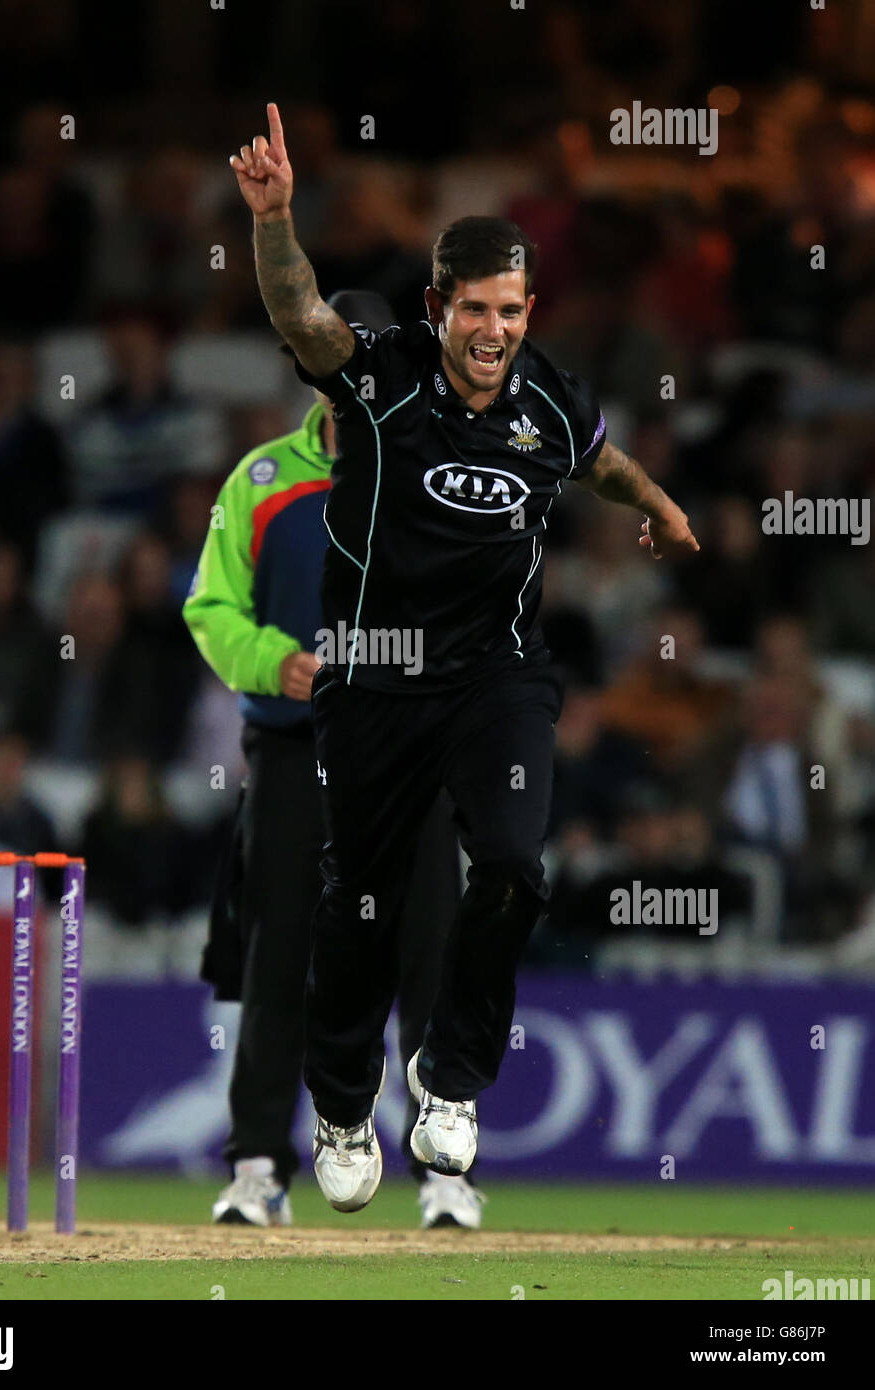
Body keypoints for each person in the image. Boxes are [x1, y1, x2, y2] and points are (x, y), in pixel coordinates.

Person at [229, 104, 700, 1213]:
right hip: (377, 672)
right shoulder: (379, 376)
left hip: (497, 674)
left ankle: (446, 1081)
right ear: (437, 305)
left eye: (509, 310)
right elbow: (300, 311)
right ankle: (343, 1105)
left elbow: (600, 462)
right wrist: (274, 219)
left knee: (514, 863)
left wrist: (661, 504)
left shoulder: (546, 395)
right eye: (473, 309)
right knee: (360, 902)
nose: (491, 330)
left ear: (528, 310)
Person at [183, 292, 474, 1228]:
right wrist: (279, 661)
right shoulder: (263, 479)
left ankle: (444, 1173)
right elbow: (209, 609)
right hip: (291, 750)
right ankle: (261, 1168)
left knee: (427, 956)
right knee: (280, 962)